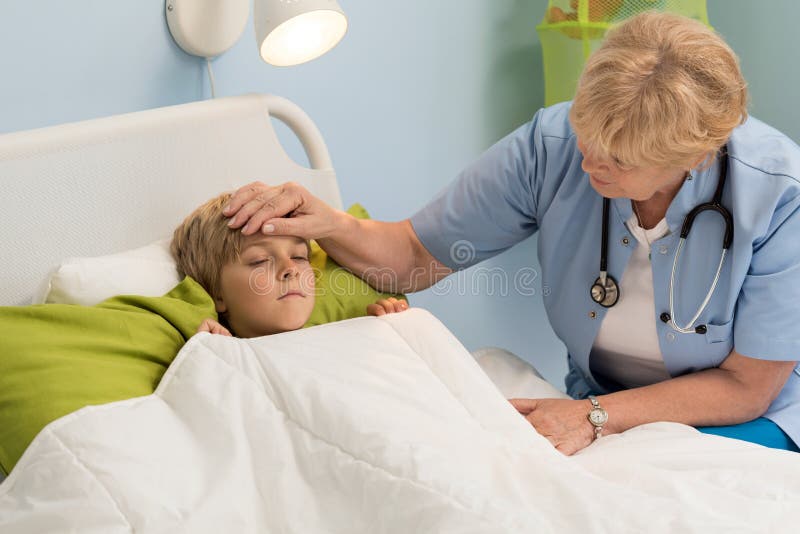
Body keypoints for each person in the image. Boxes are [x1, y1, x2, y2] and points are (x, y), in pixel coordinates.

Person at [220, 12, 800, 455]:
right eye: (585, 133)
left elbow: (745, 386)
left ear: (695, 155)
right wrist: (329, 223)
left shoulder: (778, 194)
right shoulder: (550, 148)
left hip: (751, 421)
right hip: (600, 408)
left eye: (619, 161)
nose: (590, 164)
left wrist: (595, 417)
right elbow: (416, 256)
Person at [170, 193, 409, 338]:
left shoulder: (353, 332)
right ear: (216, 295)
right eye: (260, 260)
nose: (290, 269)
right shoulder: (222, 357)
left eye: (298, 257)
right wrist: (209, 360)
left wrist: (391, 334)